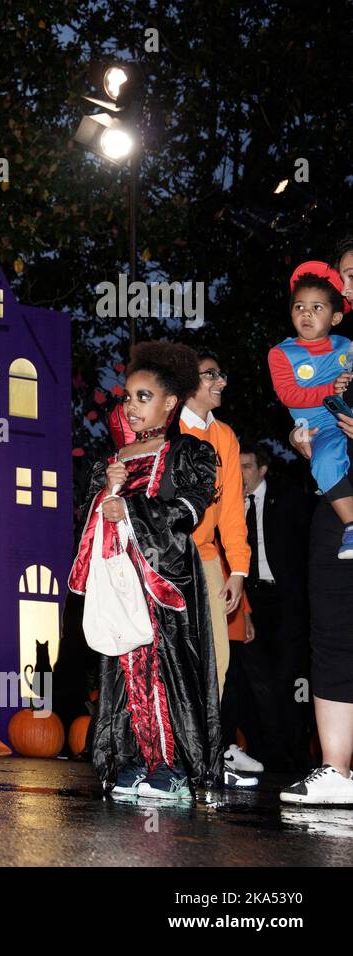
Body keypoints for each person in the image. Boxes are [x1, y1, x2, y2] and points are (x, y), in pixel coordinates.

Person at [69, 341, 223, 802]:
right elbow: (93, 521)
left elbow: (188, 510)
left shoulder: (188, 452)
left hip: (163, 578)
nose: (131, 407)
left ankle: (171, 765)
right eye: (126, 397)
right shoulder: (113, 462)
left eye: (143, 397)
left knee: (164, 666)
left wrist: (130, 508)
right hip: (120, 581)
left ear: (171, 402)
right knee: (124, 665)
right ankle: (134, 758)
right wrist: (106, 496)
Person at [282, 236, 353, 804]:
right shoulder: (323, 348)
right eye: (347, 271)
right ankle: (335, 770)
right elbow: (301, 398)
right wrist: (302, 437)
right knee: (332, 628)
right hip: (338, 493)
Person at [176, 350, 257, 785]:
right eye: (212, 375)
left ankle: (205, 751)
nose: (222, 381)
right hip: (166, 560)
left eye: (222, 374)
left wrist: (238, 572)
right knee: (173, 657)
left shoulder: (225, 436)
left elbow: (231, 512)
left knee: (218, 660)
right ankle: (170, 752)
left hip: (208, 559)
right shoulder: (170, 428)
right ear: (189, 383)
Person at [234, 442, 311, 772]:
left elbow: (308, 546)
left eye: (247, 467)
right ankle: (269, 751)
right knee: (256, 680)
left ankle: (298, 753)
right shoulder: (232, 506)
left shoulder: (289, 498)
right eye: (236, 468)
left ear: (262, 470)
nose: (240, 475)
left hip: (287, 601)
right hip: (252, 603)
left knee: (292, 678)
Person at [267, 261, 353, 558]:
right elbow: (290, 396)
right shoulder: (281, 354)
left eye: (317, 308)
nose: (306, 313)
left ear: (336, 317)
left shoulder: (347, 346)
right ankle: (351, 525)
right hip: (322, 425)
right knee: (324, 460)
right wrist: (332, 390)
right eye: (299, 307)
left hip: (349, 416)